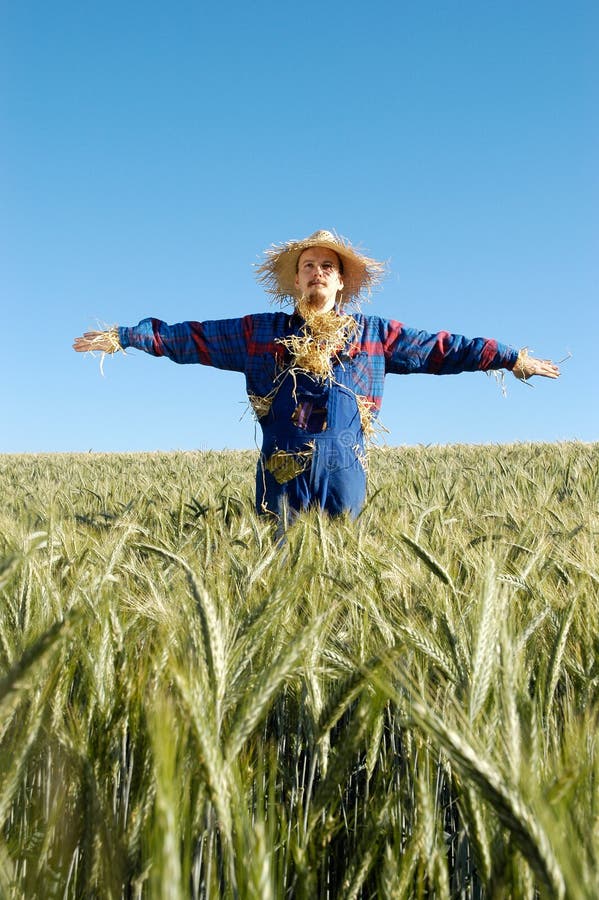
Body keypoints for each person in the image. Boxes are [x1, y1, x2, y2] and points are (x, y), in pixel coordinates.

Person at [73, 229, 560, 523]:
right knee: (281, 573)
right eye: (309, 266)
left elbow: (442, 348)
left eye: (328, 266)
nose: (318, 273)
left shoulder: (373, 335)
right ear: (298, 279)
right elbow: (192, 337)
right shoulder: (261, 333)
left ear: (342, 280)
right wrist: (126, 336)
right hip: (281, 472)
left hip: (344, 473)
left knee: (340, 573)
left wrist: (510, 357)